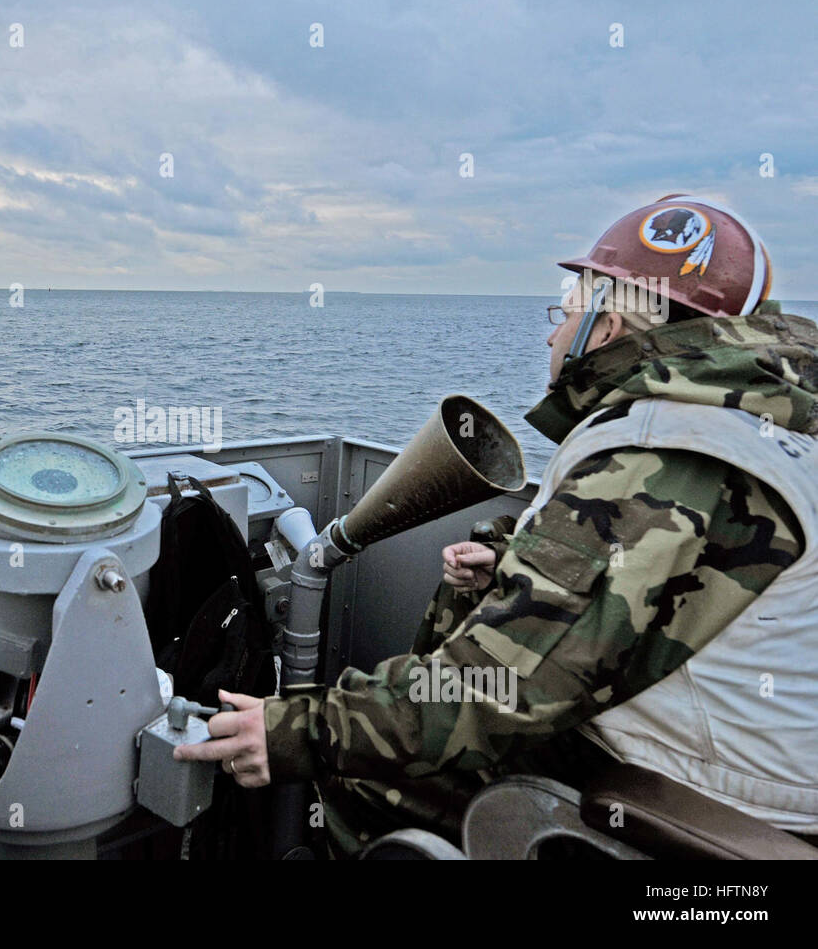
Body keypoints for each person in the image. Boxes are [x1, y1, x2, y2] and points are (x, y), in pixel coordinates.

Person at [176, 195, 818, 856]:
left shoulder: (664, 448)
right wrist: (518, 560)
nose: (550, 336)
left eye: (564, 314)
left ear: (607, 325)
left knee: (364, 778)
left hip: (707, 793)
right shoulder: (756, 425)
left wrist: (297, 732)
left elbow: (504, 683)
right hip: (737, 758)